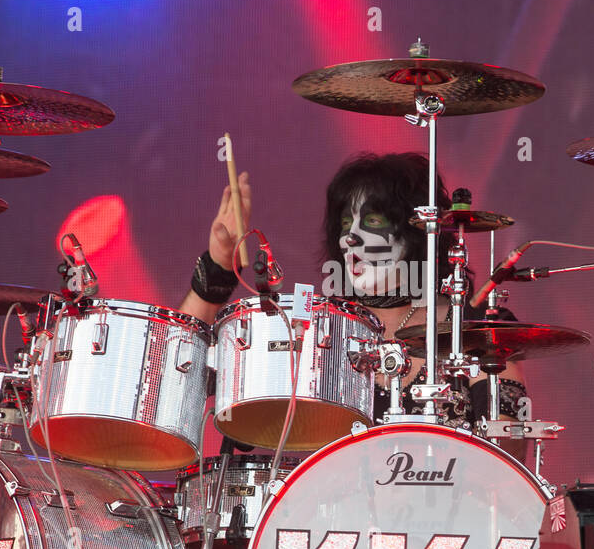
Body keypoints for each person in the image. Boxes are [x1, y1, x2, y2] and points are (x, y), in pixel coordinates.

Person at [179, 152, 529, 449]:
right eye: (346, 222)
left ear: (419, 231)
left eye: (372, 220)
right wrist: (218, 270)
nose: (350, 237)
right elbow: (180, 379)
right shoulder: (321, 330)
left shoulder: (474, 328)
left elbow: (508, 451)